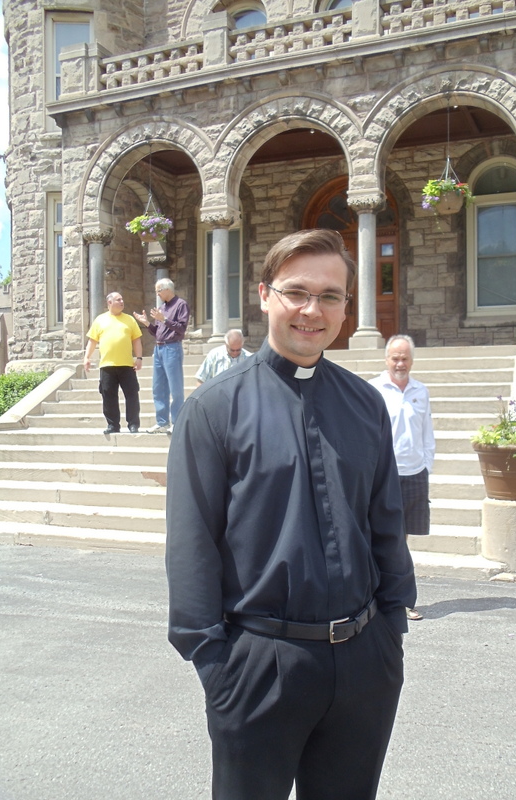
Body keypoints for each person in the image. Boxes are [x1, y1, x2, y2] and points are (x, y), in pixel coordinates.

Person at [166, 229, 416, 800]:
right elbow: (192, 544)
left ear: (347, 307)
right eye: (296, 292)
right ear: (263, 295)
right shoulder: (213, 408)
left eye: (331, 296)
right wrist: (215, 666)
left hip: (363, 662)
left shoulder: (365, 402)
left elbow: (385, 523)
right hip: (259, 667)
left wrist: (391, 629)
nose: (312, 309)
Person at [369, 334, 435, 621]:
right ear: (386, 360)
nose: (400, 363)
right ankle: (379, 596)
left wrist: (426, 467)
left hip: (413, 473)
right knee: (384, 537)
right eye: (395, 358)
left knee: (402, 540)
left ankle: (402, 600)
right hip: (384, 476)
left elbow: (427, 432)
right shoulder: (373, 390)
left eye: (405, 358)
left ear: (412, 361)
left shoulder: (421, 391)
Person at [133, 278, 190, 434]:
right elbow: (157, 332)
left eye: (159, 290)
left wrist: (164, 319)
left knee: (175, 387)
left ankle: (176, 422)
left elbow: (181, 329)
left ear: (167, 289)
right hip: (158, 349)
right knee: (158, 387)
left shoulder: (181, 305)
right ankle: (162, 422)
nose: (157, 294)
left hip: (172, 348)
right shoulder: (162, 308)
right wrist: (147, 323)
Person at [83, 292, 143, 435]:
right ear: (109, 303)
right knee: (108, 395)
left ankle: (133, 424)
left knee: (132, 394)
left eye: (122, 299)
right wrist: (87, 357)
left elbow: (136, 340)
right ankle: (113, 425)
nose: (122, 301)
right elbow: (92, 341)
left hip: (127, 365)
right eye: (118, 300)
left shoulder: (129, 320)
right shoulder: (100, 320)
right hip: (107, 365)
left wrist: (139, 358)